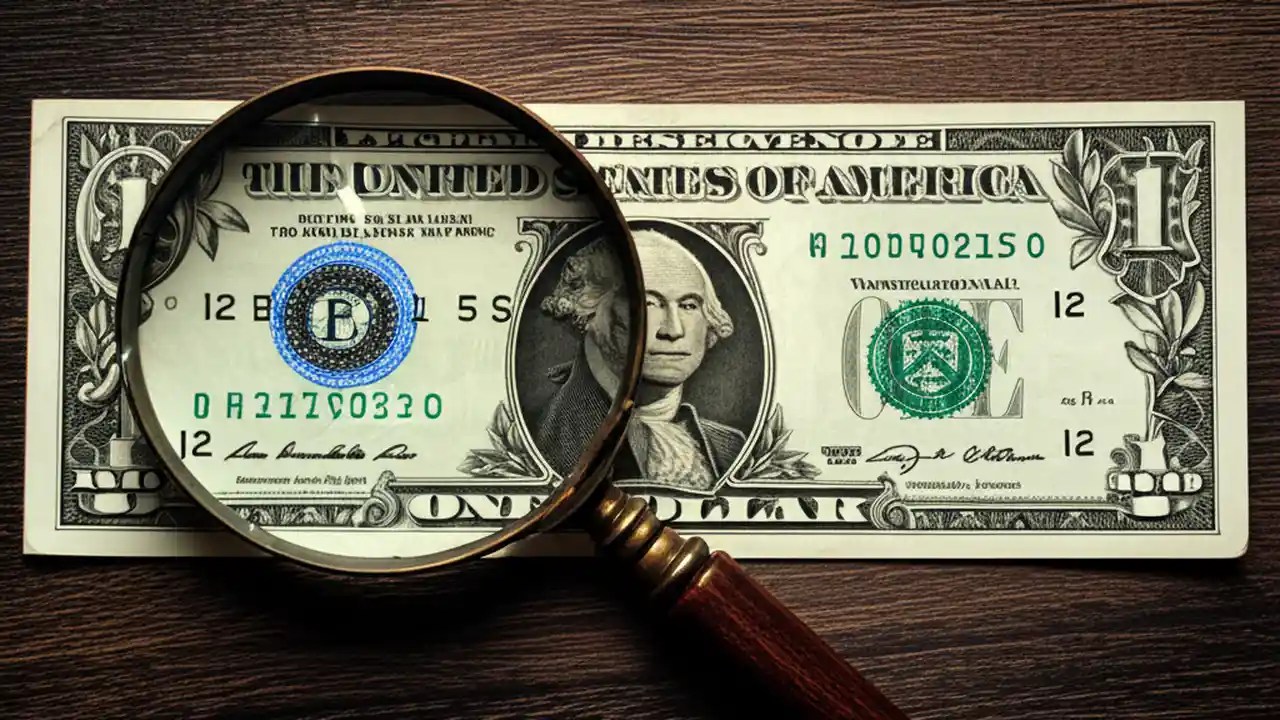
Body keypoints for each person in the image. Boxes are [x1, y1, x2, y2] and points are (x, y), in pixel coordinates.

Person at [531, 229, 746, 491]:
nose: (673, 330)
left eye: (689, 305)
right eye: (648, 303)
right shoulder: (543, 441)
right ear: (587, 310)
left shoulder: (730, 447)